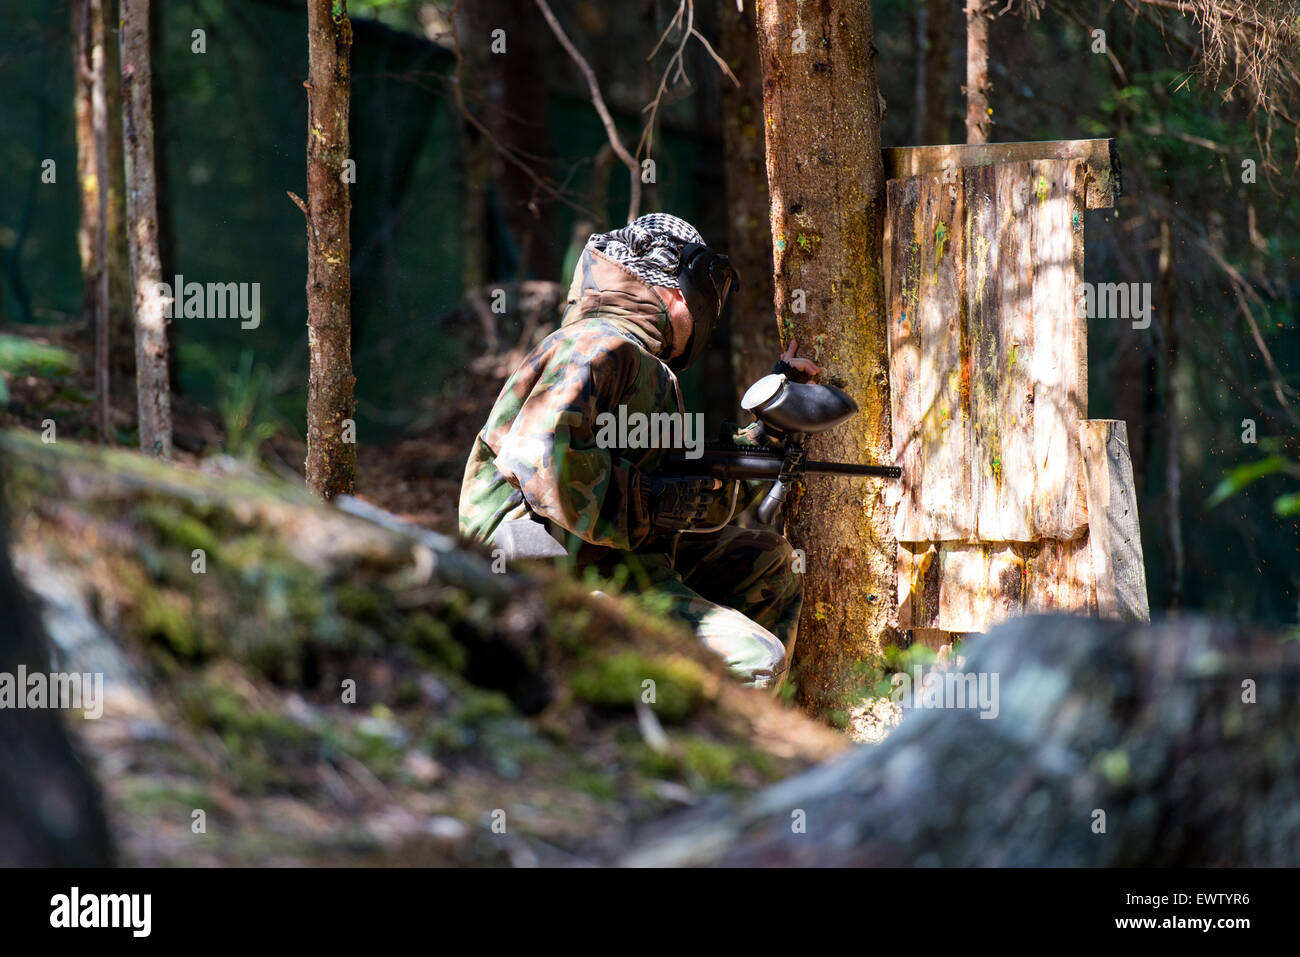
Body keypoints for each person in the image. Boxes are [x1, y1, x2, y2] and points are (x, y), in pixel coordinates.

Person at [458, 213, 819, 687]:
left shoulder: (640, 363)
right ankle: (675, 751)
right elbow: (542, 460)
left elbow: (684, 483)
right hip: (544, 574)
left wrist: (769, 431)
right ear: (675, 291)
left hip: (609, 558)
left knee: (765, 562)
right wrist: (651, 500)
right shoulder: (597, 346)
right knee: (755, 660)